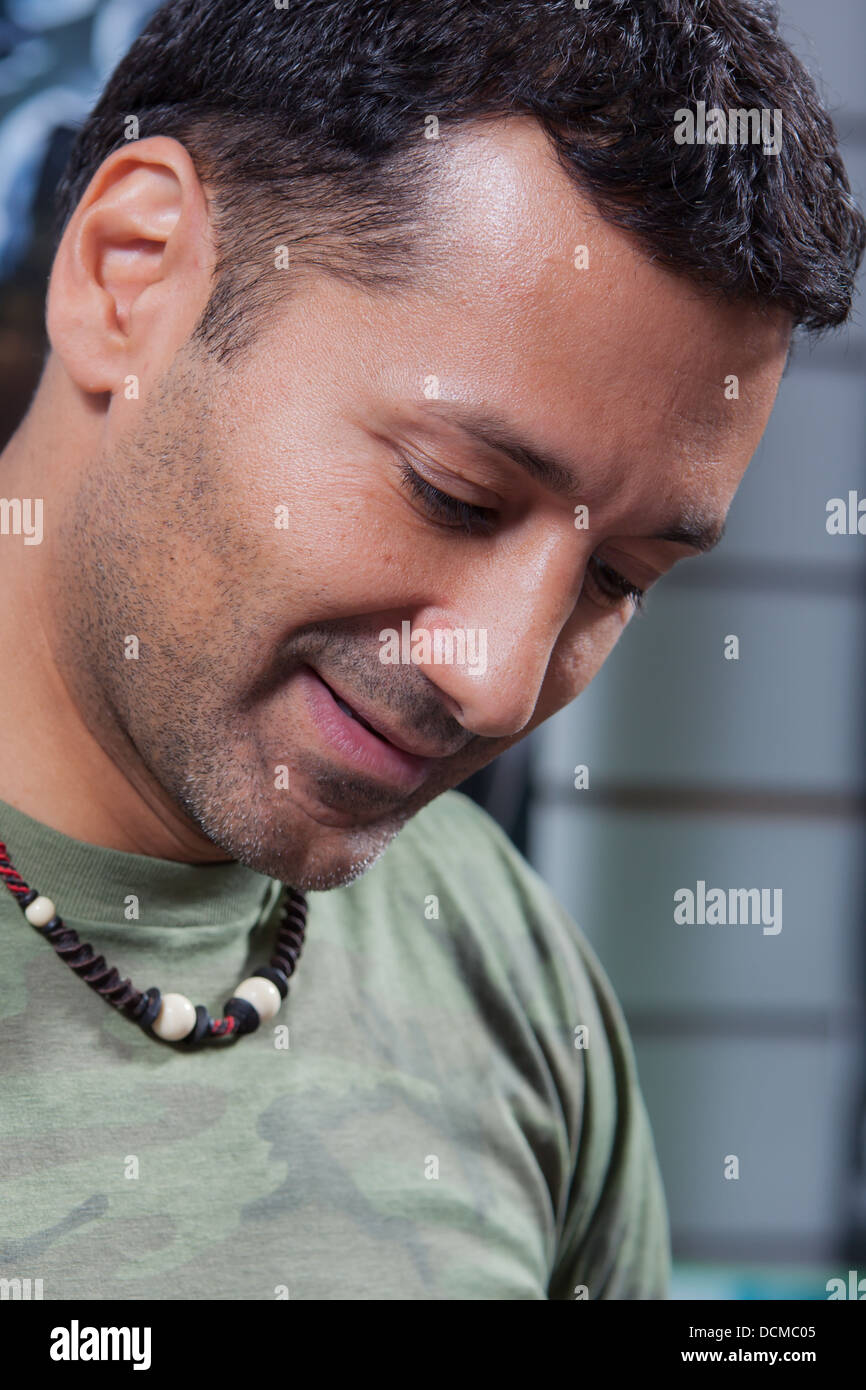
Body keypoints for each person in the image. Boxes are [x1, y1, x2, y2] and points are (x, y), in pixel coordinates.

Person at [0, 0, 862, 1301]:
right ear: (133, 275)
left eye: (615, 579)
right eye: (453, 494)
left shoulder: (500, 959)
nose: (501, 680)